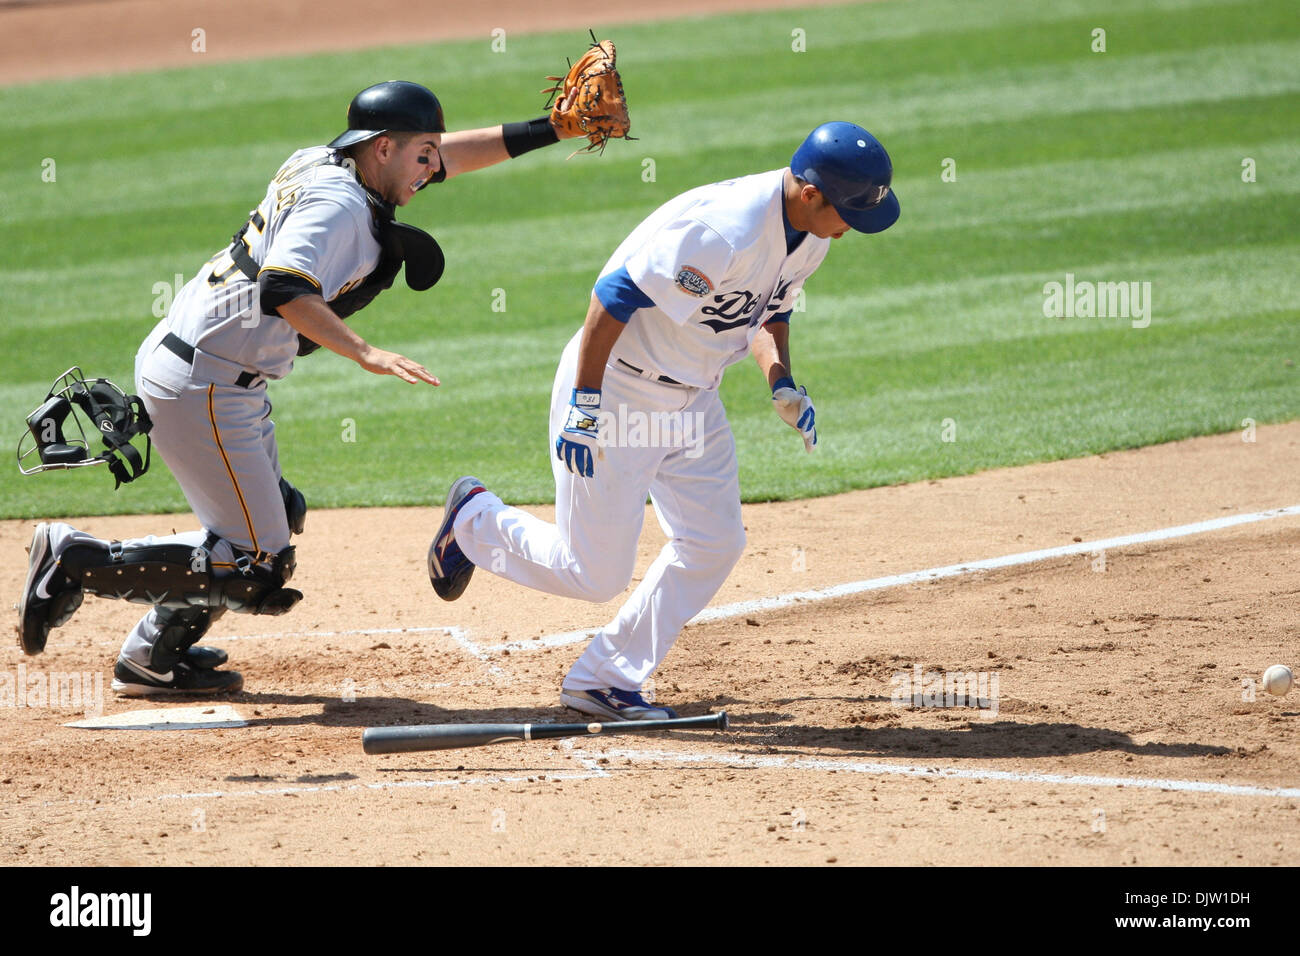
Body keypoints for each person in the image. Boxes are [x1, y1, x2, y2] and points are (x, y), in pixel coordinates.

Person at [17, 80, 590, 696]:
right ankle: (74, 562)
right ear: (383, 148)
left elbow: (454, 153)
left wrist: (552, 128)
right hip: (206, 382)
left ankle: (152, 657)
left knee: (271, 518)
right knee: (255, 563)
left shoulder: (326, 160)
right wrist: (365, 352)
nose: (432, 167)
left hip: (209, 370)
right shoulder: (337, 209)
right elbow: (283, 288)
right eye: (422, 153)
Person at [428, 121, 900, 720]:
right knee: (594, 574)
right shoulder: (722, 231)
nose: (853, 230)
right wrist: (586, 402)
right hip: (621, 393)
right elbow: (612, 297)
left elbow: (767, 309)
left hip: (695, 399)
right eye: (850, 213)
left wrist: (781, 381)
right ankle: (474, 521)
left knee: (714, 544)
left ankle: (603, 679)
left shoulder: (812, 234)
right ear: (811, 192)